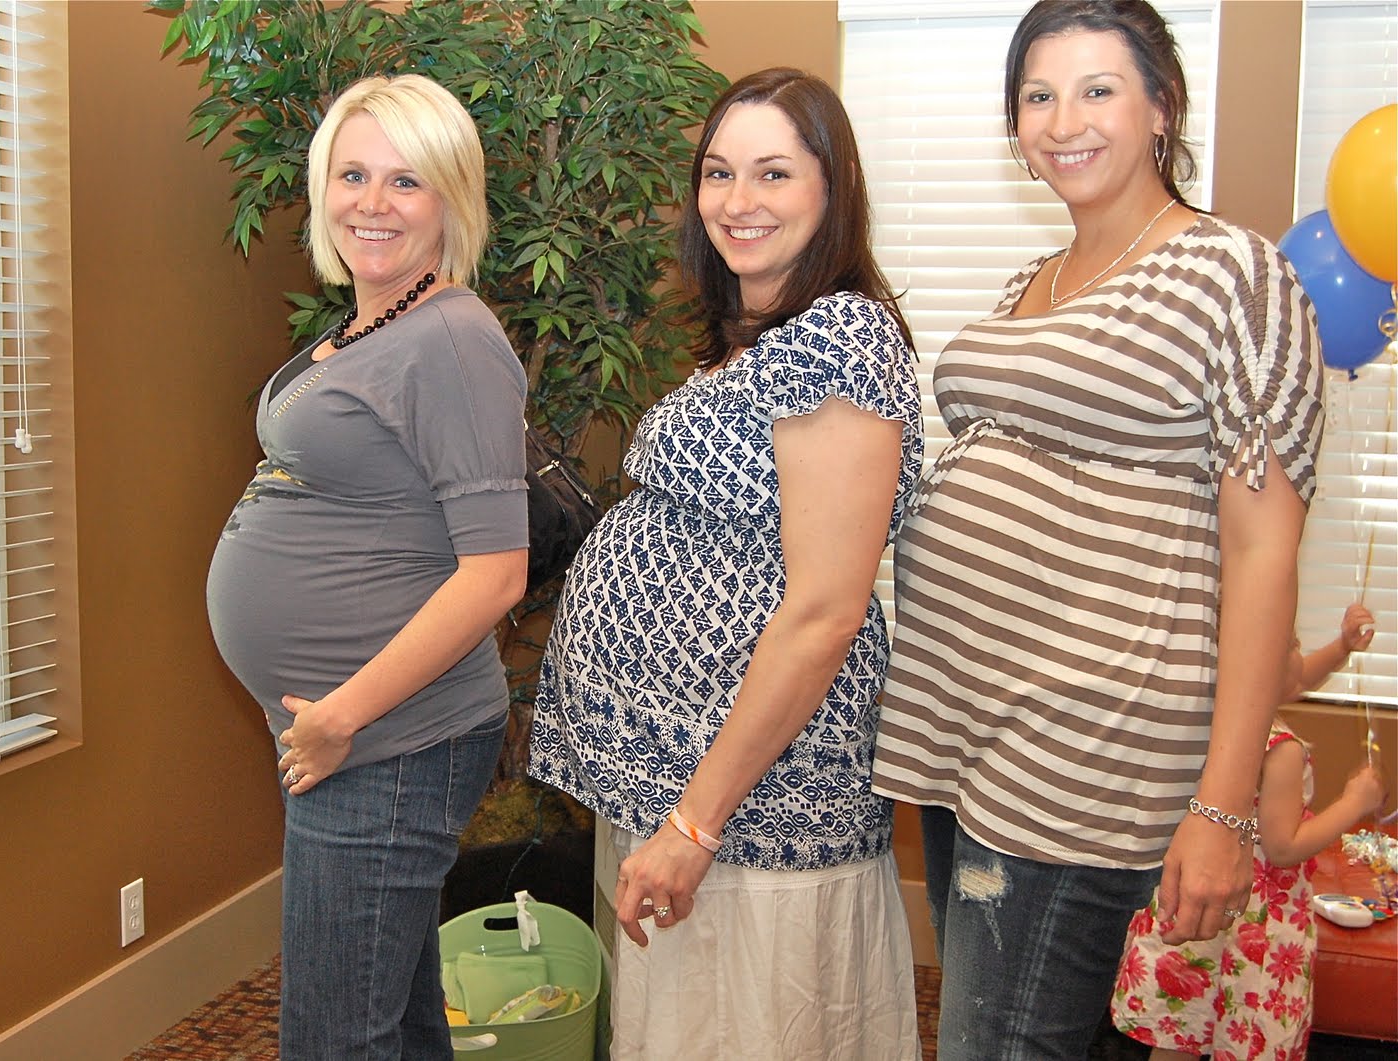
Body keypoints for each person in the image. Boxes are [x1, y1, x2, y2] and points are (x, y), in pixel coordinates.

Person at [870, 2, 1327, 1057]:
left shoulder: (1234, 276)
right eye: (1037, 95)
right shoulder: (1030, 282)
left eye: (1097, 89)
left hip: (1082, 754)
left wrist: (1222, 810)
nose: (1061, 119)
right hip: (966, 733)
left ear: (1161, 108)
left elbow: (1263, 552)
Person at [530, 67, 924, 1060]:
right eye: (718, 172)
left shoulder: (836, 334)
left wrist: (694, 825)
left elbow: (826, 608)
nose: (738, 201)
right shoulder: (757, 337)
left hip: (754, 801)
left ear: (831, 190)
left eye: (774, 174)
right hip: (695, 785)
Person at [205, 74, 527, 1059]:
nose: (372, 203)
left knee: (332, 1034)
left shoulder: (453, 336)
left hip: (389, 737)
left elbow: (496, 573)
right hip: (355, 731)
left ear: (450, 200)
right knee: (394, 1017)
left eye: (406, 181)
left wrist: (344, 713)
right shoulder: (369, 326)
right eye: (353, 174)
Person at [1112, 604, 1387, 1060]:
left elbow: (1292, 680)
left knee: (1177, 1032)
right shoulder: (1282, 751)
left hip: (1189, 905)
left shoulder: (1197, 728)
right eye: (1293, 646)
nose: (1301, 656)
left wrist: (1340, 648)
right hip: (1252, 928)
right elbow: (1283, 848)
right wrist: (1354, 803)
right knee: (1242, 1040)